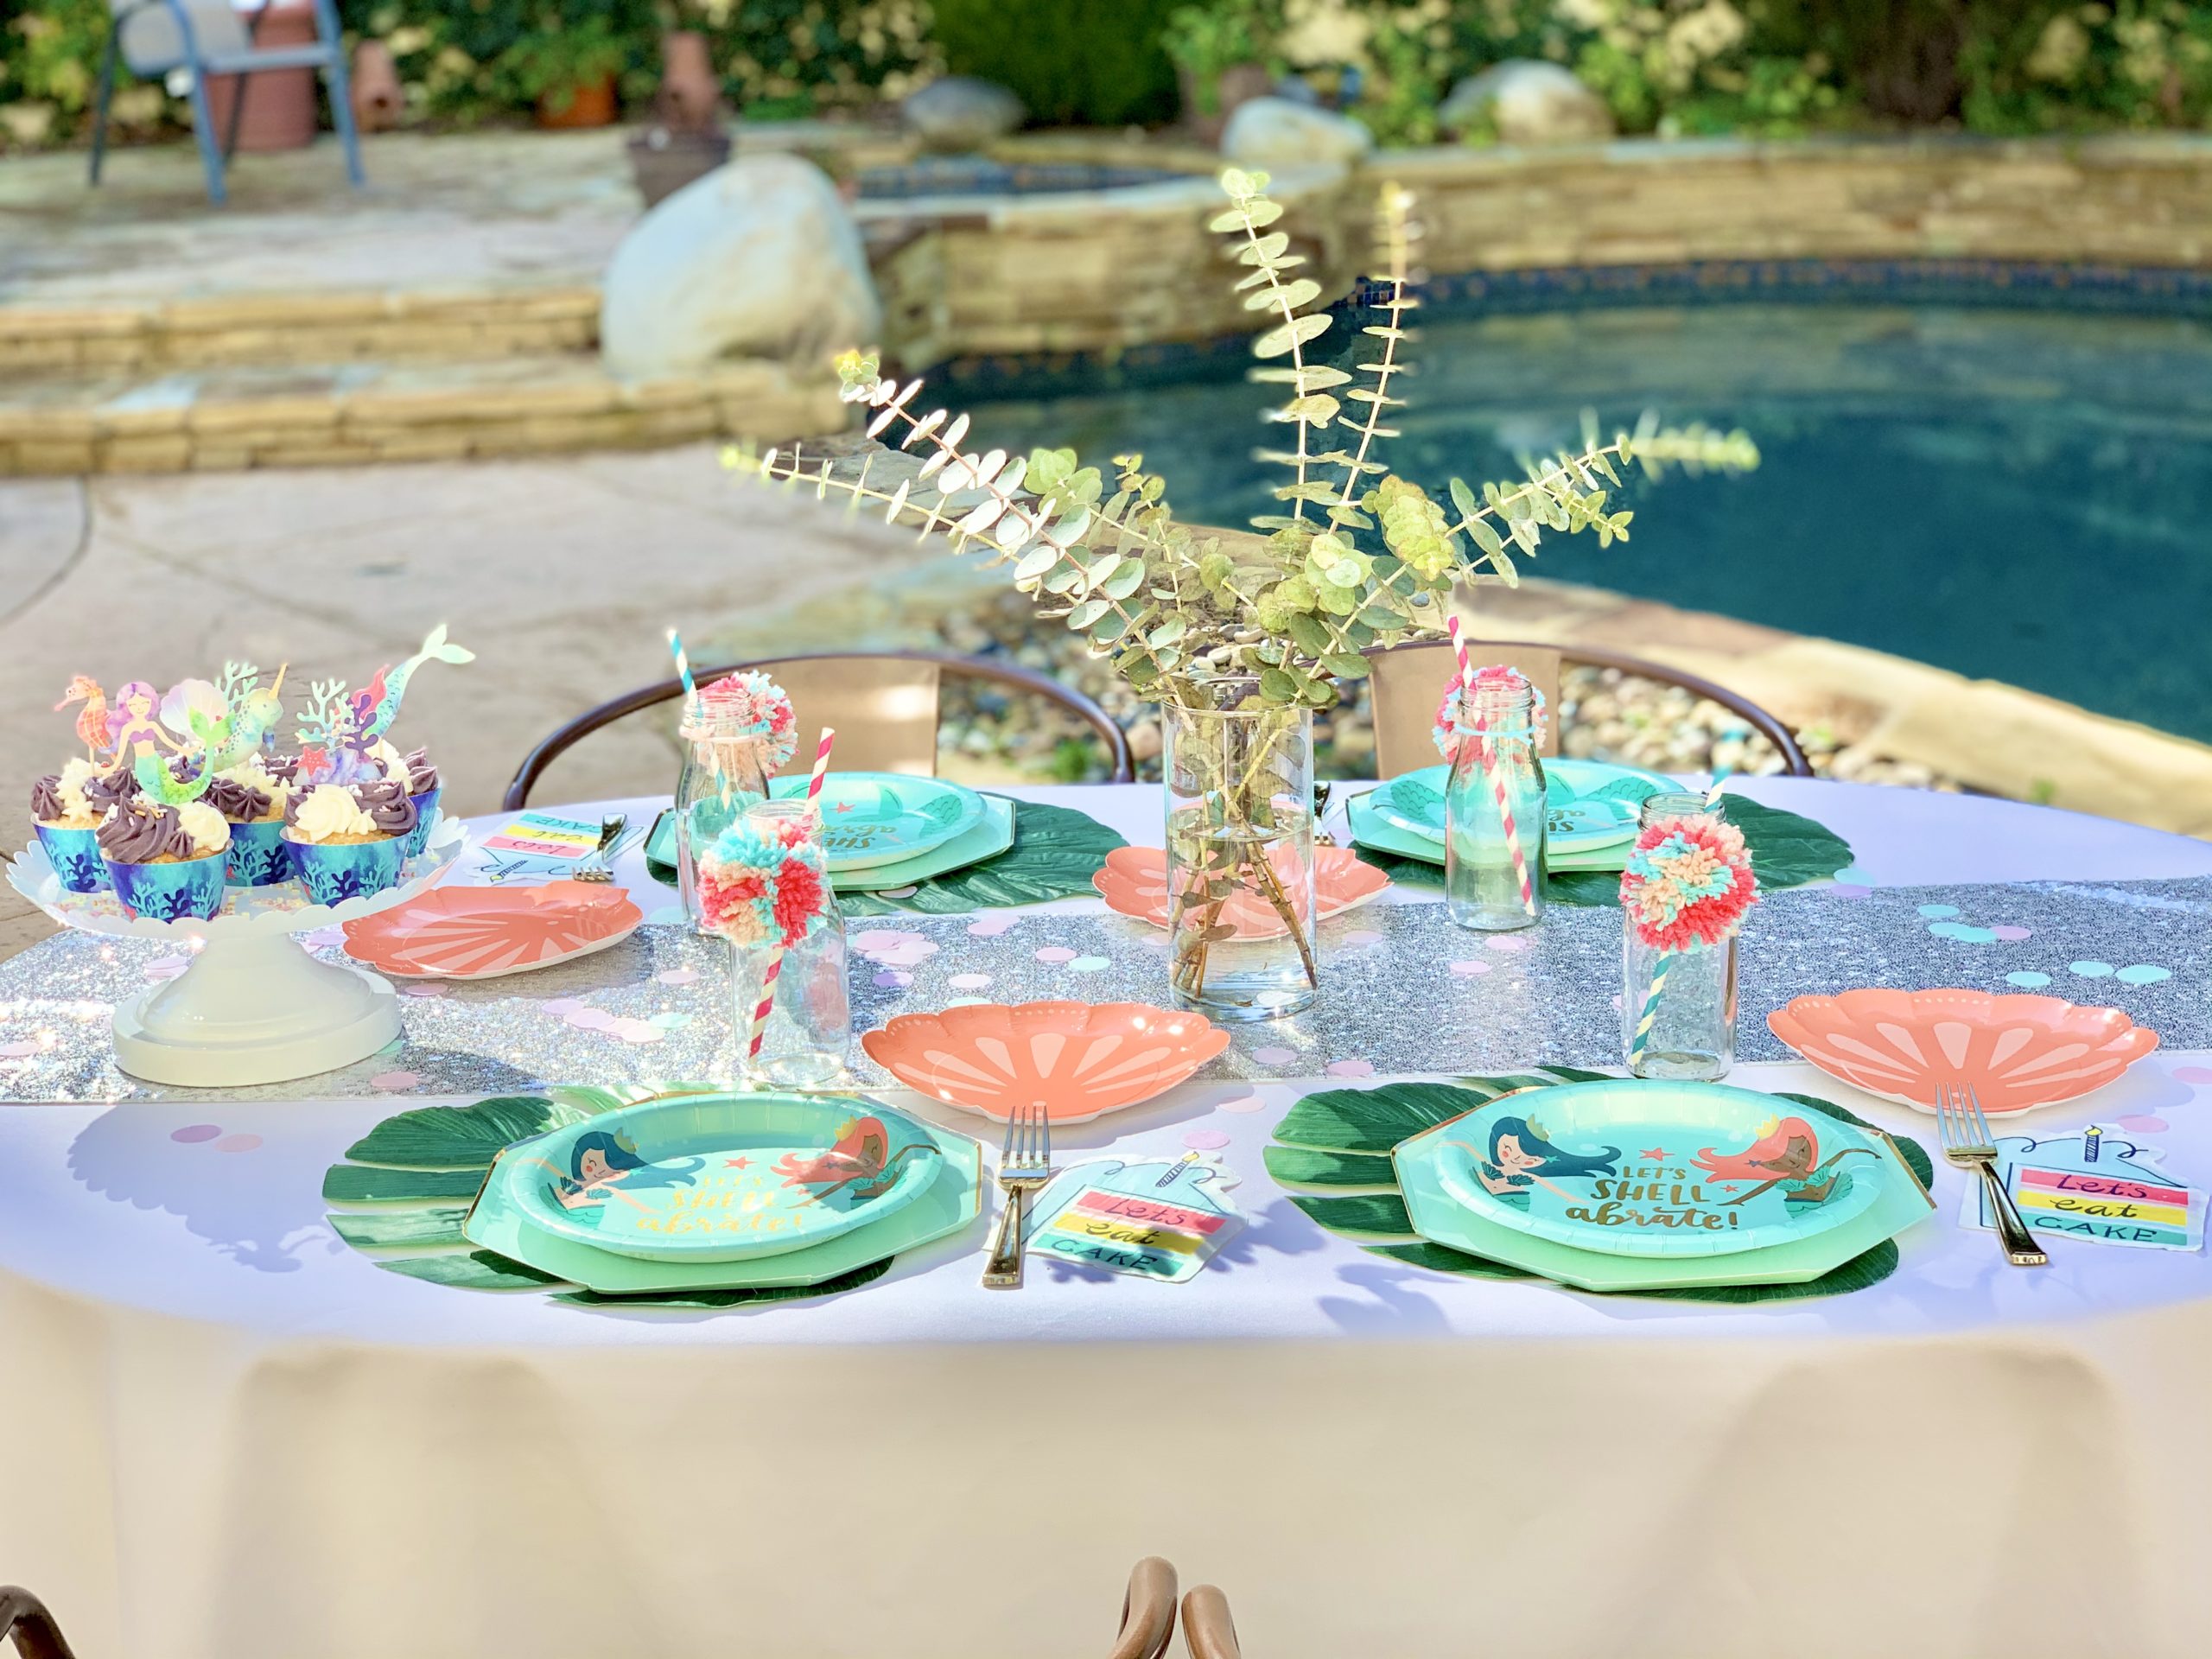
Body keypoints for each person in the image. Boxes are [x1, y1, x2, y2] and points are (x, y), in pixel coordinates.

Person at [1691, 1116, 1874, 1206]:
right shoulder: (1781, 1180)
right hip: (1803, 1207)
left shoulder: (1819, 1171)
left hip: (1834, 1197)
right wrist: (1735, 1201)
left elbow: (1835, 1159)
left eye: (1801, 1150)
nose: (1793, 1163)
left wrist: (1852, 1150)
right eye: (1777, 1161)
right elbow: (1758, 1190)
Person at [1456, 1115, 1620, 1204]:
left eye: (1522, 1157)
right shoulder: (1486, 1167)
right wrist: (1458, 1142)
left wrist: (1572, 1198)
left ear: (1534, 1161)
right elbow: (1471, 1149)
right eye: (1506, 1148)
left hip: (1513, 1201)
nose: (1509, 1155)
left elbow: (1547, 1186)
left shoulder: (1524, 1176)